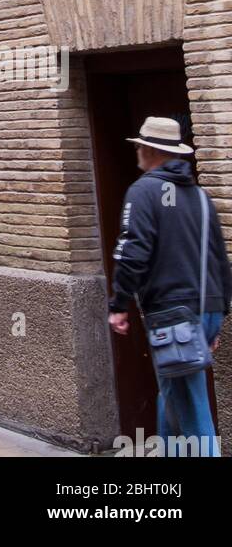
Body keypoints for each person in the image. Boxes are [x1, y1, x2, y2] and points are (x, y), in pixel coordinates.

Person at [108, 116, 232, 457]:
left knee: (191, 409)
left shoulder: (143, 191)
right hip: (204, 310)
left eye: (138, 146)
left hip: (173, 315)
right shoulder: (200, 197)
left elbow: (133, 252)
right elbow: (220, 259)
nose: (136, 151)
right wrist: (216, 315)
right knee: (173, 397)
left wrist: (119, 305)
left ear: (149, 149)